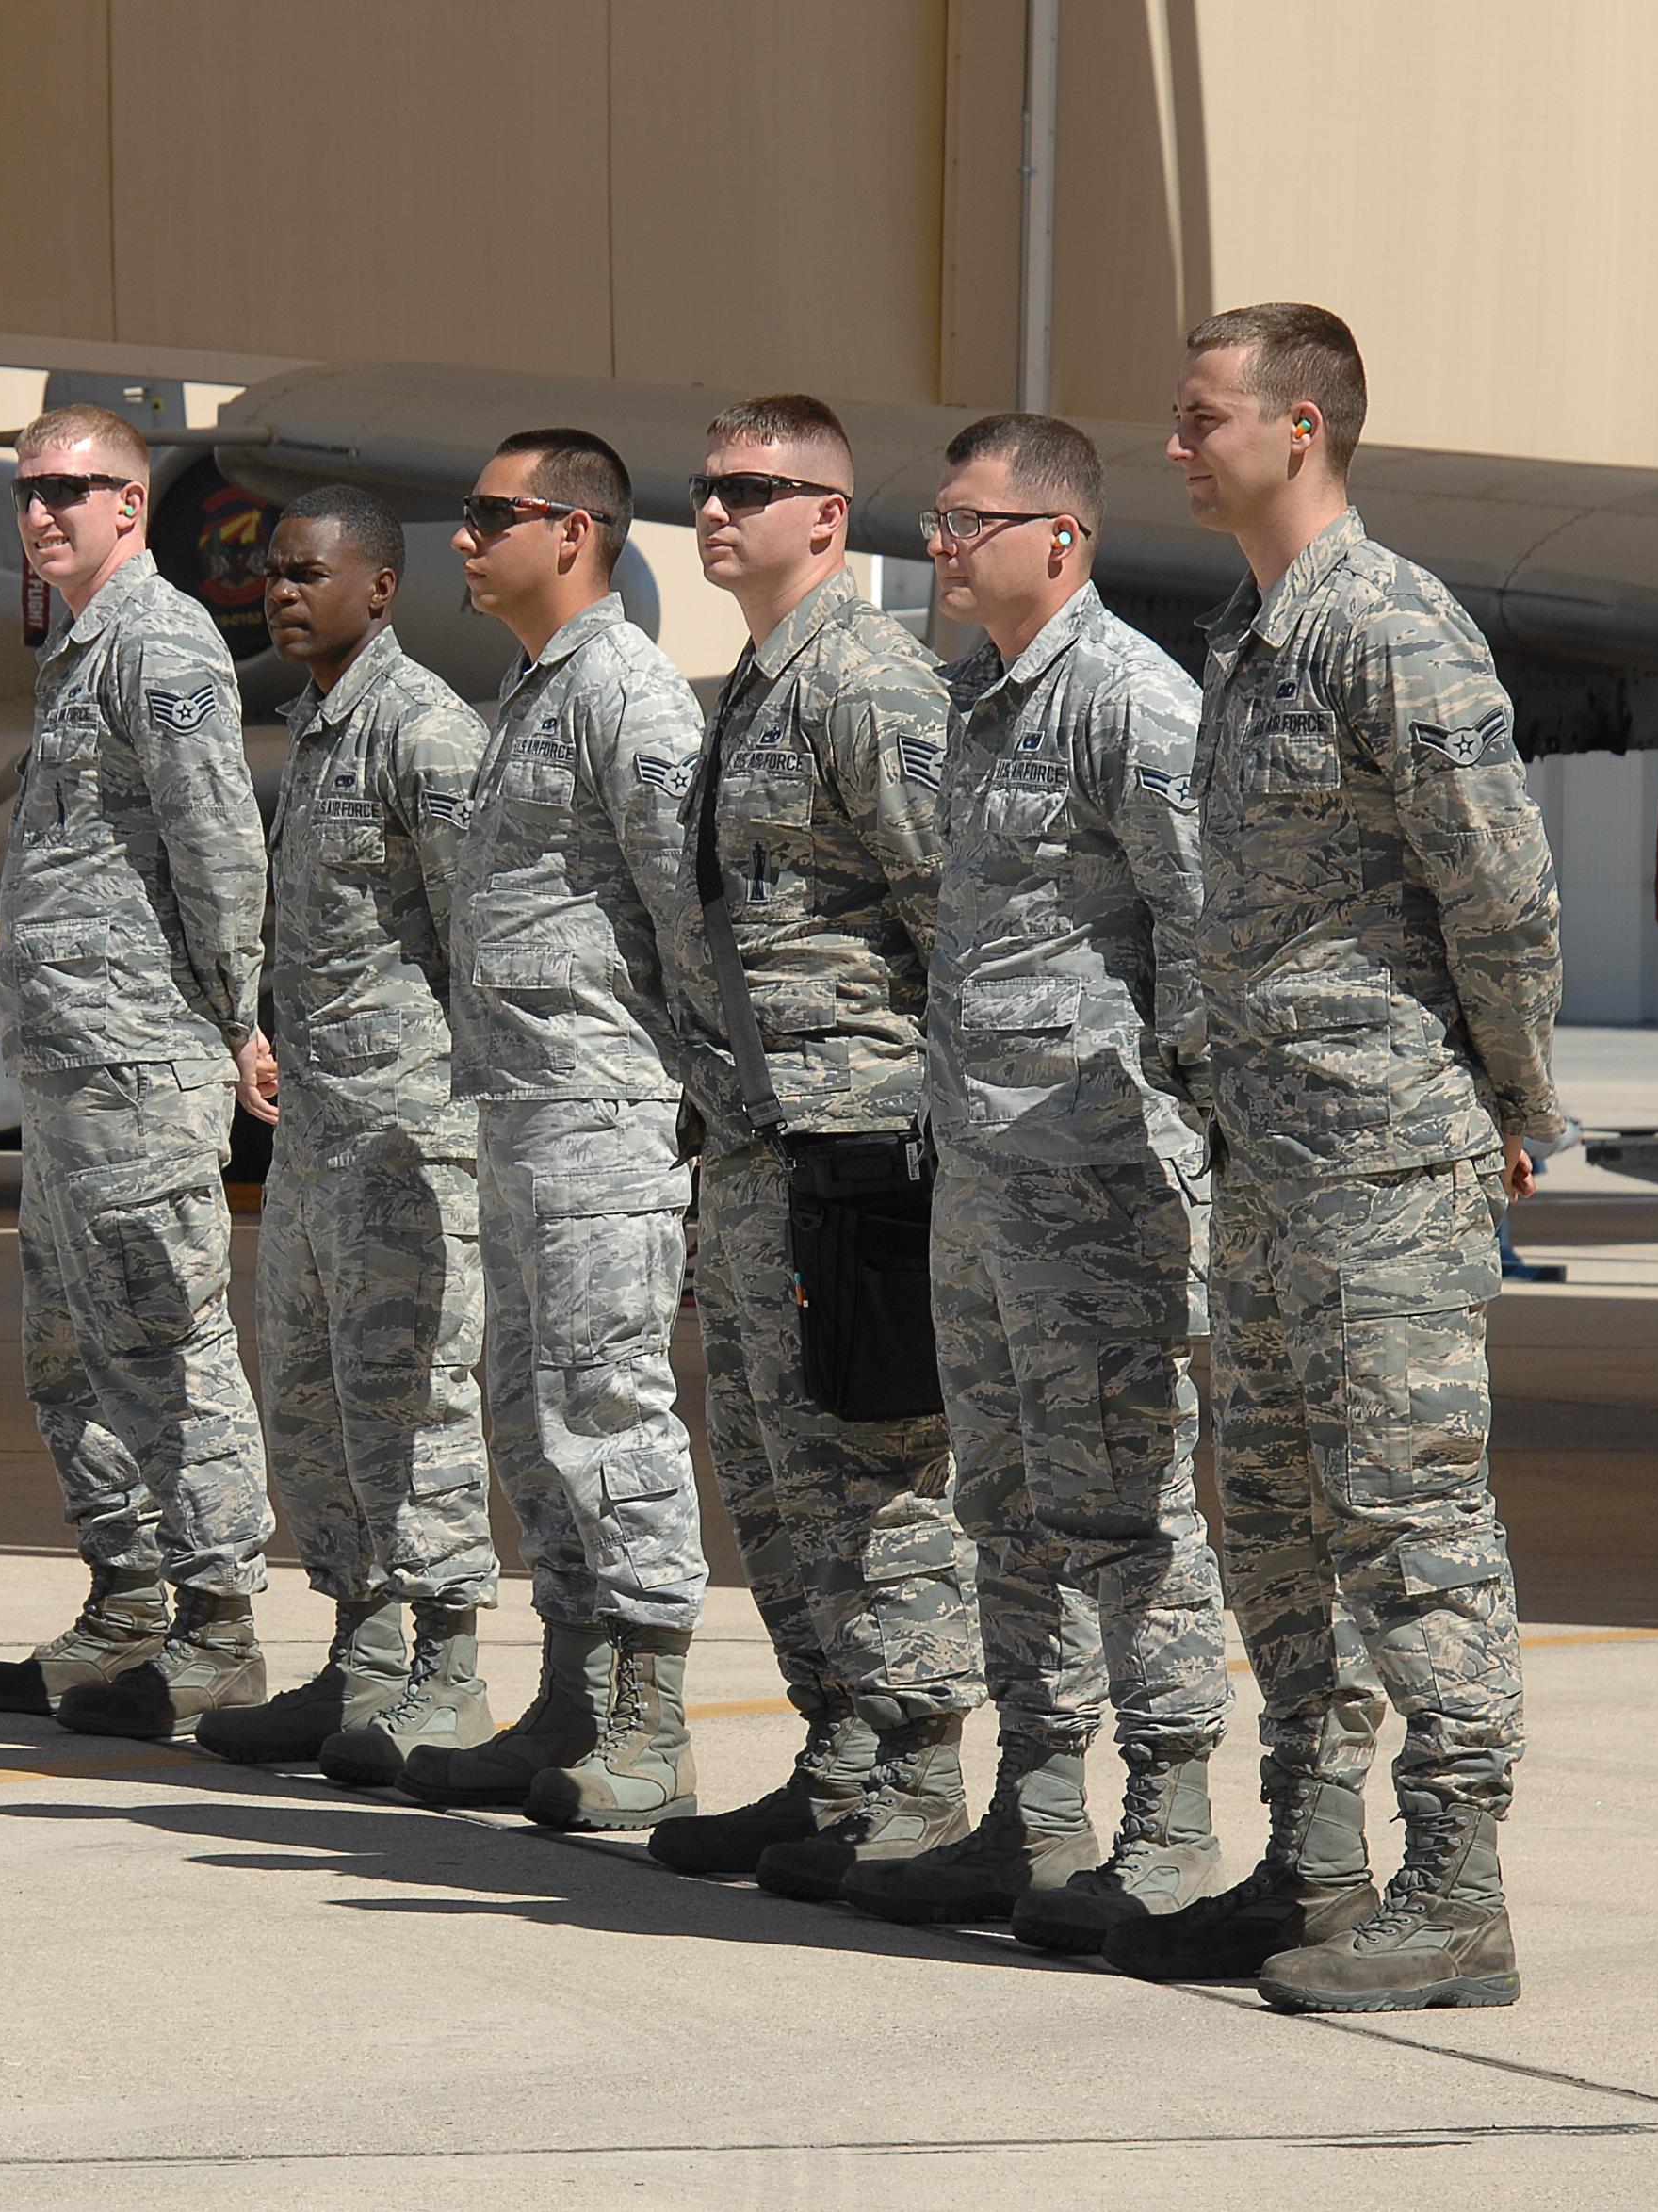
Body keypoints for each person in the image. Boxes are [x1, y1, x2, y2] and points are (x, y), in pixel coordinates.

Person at [1125, 302, 1563, 2012]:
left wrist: (1518, 1102)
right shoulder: (1249, 630)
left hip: (1381, 1159)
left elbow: (1501, 887)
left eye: (1201, 414)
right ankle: (1315, 1863)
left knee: (1412, 1521)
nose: (1177, 441)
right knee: (1279, 1520)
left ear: (1299, 427)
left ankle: (1458, 1888)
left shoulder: (1392, 627)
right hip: (1268, 1156)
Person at [834, 413, 1230, 1944]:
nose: (935, 547)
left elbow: (1207, 933)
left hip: (1096, 1179)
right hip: (982, 1174)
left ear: (1056, 537)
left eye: (962, 522)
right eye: (932, 520)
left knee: (1120, 1509)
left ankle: (1174, 1815)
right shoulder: (973, 705)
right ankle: (1039, 1812)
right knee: (1002, 1504)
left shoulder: (1129, 701)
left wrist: (1178, 1135)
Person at [628, 398, 978, 1890]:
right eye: (704, 488)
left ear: (828, 516)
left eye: (752, 489)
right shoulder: (758, 683)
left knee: (875, 1462)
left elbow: (950, 914)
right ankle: (836, 1752)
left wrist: (924, 1136)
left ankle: (917, 1769)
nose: (715, 511)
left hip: (860, 1145)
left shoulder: (869, 681)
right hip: (760, 1146)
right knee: (772, 1468)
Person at [401, 428, 715, 1832]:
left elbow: (686, 914)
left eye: (489, 515)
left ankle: (653, 1725)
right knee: (538, 1420)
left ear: (574, 531)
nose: (462, 541)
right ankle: (576, 1699)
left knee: (609, 1408)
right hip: (519, 1112)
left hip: (599, 1110)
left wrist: (701, 1099)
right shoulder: (533, 691)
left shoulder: (629, 695)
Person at [0, 401, 276, 1739]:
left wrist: (241, 1014)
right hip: (71, 1068)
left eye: (73, 490)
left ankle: (218, 1627)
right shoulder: (80, 651)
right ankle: (127, 1602)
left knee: (166, 1340)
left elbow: (221, 846)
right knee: (69, 1356)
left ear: (133, 507)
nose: (42, 512)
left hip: (143, 1063)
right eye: (29, 489)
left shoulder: (163, 643)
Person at [194, 487, 501, 1781]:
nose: (282, 591)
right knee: (318, 1406)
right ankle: (363, 1656)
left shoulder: (424, 732)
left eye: (309, 573)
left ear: (380, 588)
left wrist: (446, 1104)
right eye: (273, 573)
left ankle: (448, 1669)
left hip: (405, 1140)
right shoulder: (316, 728)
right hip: (319, 1137)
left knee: (412, 1400)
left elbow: (475, 938)